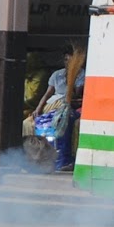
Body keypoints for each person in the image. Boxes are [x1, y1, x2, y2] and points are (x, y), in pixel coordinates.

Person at [27, 43, 85, 172]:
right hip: (52, 105)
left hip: (68, 106)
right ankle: (36, 160)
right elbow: (47, 94)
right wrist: (38, 109)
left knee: (63, 121)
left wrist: (72, 80)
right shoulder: (57, 74)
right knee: (30, 123)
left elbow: (77, 95)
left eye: (69, 59)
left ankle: (63, 160)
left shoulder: (82, 75)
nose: (66, 62)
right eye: (65, 59)